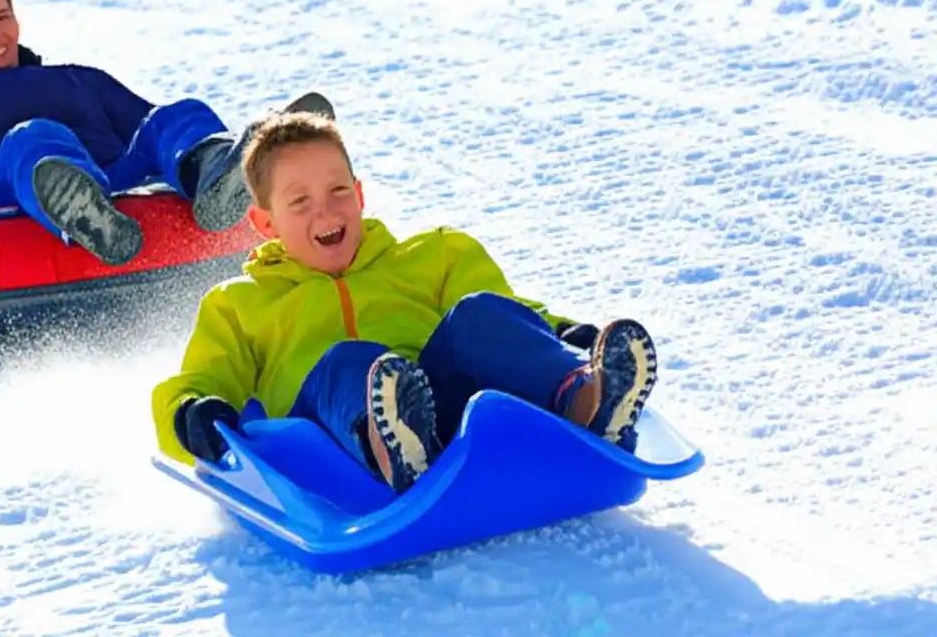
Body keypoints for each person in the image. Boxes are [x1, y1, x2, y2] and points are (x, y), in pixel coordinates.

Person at [150, 107, 660, 493]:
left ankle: (585, 400)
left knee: (477, 313)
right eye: (300, 202)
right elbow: (197, 382)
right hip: (335, 435)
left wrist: (561, 334)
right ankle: (389, 444)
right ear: (265, 224)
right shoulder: (240, 305)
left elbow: (509, 317)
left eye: (338, 192)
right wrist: (190, 413)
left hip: (447, 407)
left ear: (360, 193)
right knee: (350, 362)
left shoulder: (433, 255)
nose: (325, 213)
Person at [0, 0, 330, 265]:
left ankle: (226, 174)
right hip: (15, 196)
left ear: (16, 21)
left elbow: (149, 130)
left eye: (2, 17)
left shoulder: (79, 78)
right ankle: (80, 213)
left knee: (175, 116)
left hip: (112, 179)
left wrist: (179, 143)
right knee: (35, 139)